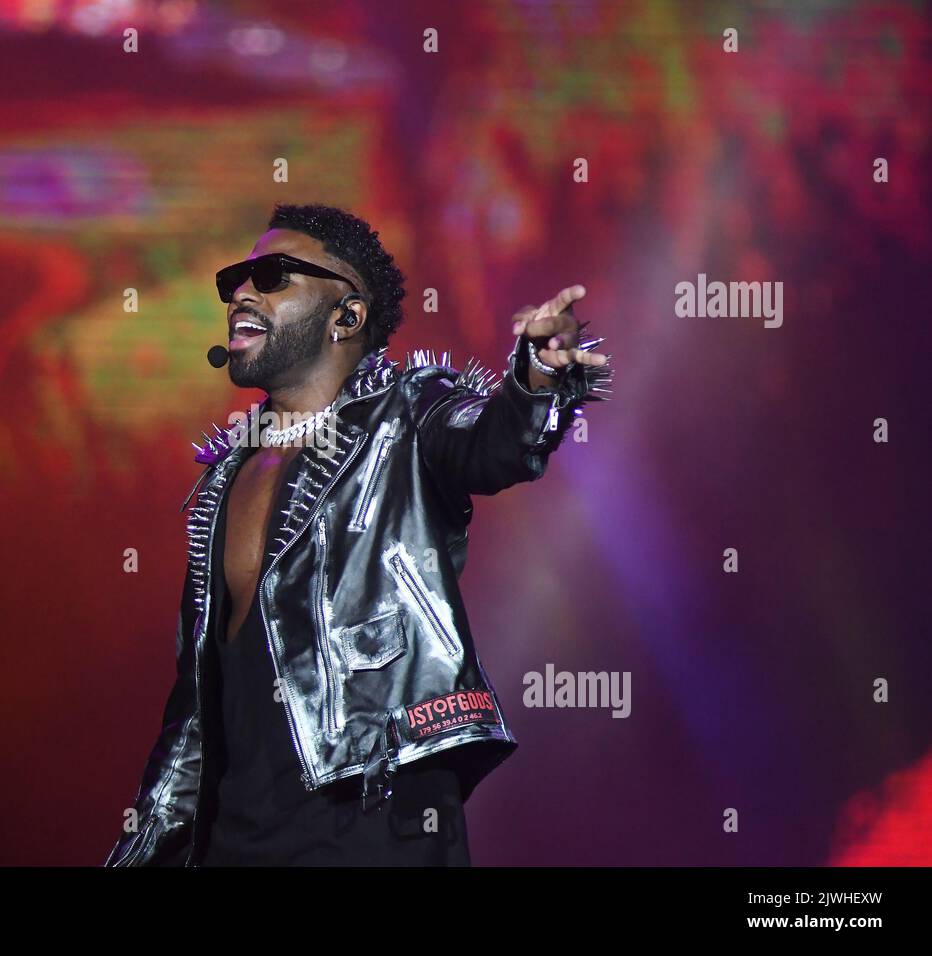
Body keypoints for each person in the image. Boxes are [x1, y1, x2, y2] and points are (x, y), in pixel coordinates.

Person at [105, 202, 612, 866]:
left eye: (272, 275)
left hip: (374, 817)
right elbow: (196, 709)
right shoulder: (225, 477)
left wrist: (539, 377)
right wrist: (143, 846)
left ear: (346, 315)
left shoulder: (407, 415)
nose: (240, 293)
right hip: (233, 846)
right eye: (236, 279)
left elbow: (493, 443)